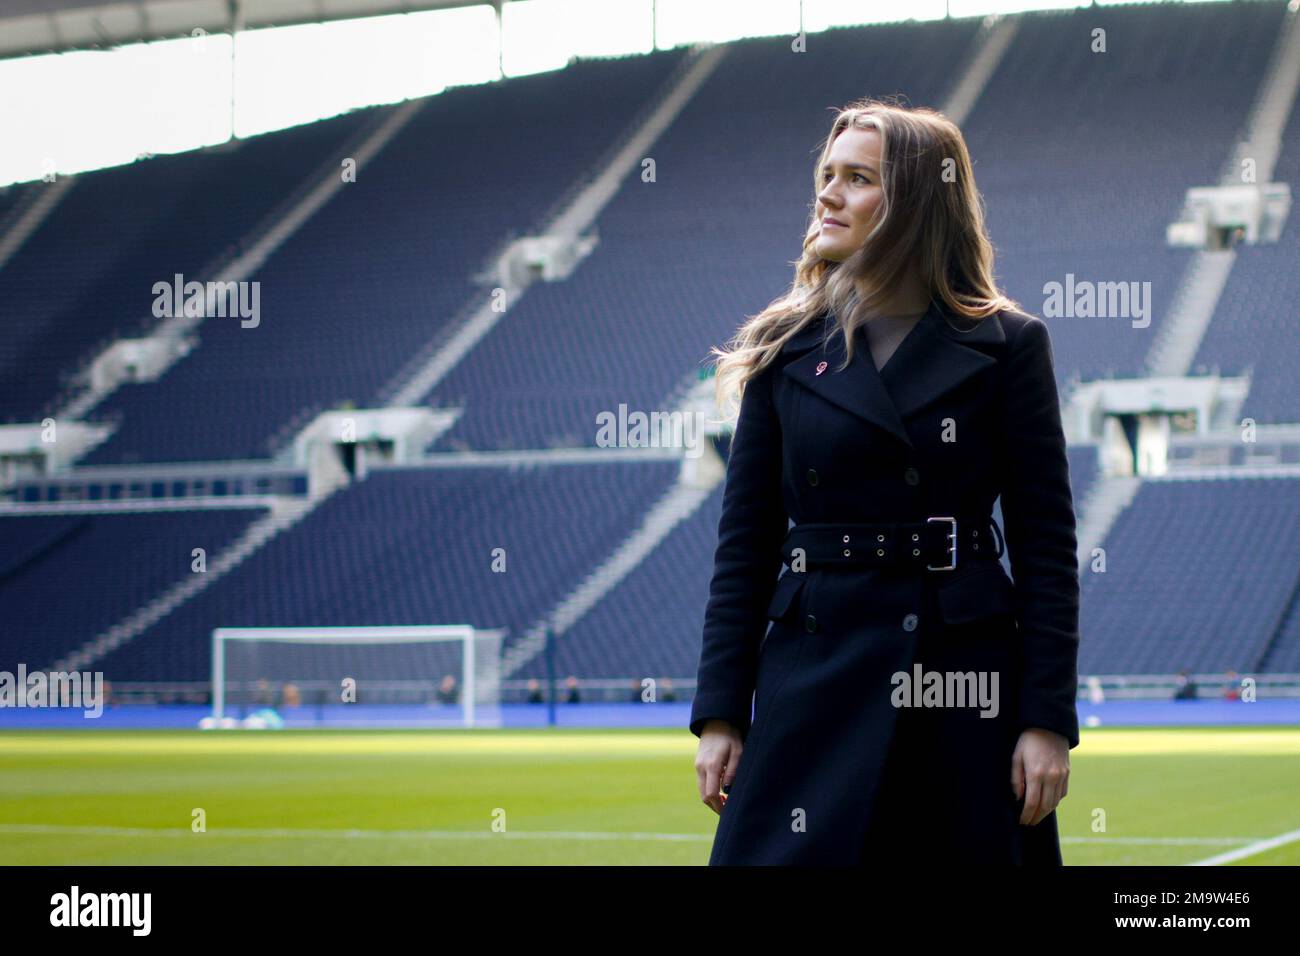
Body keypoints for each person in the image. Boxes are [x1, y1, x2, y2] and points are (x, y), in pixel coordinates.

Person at [690, 98, 1080, 865]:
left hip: (963, 685)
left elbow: (1046, 548)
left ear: (916, 202)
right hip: (813, 677)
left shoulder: (1008, 346)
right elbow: (745, 545)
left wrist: (1044, 721)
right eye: (826, 177)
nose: (829, 194)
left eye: (858, 178)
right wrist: (722, 714)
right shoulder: (785, 347)